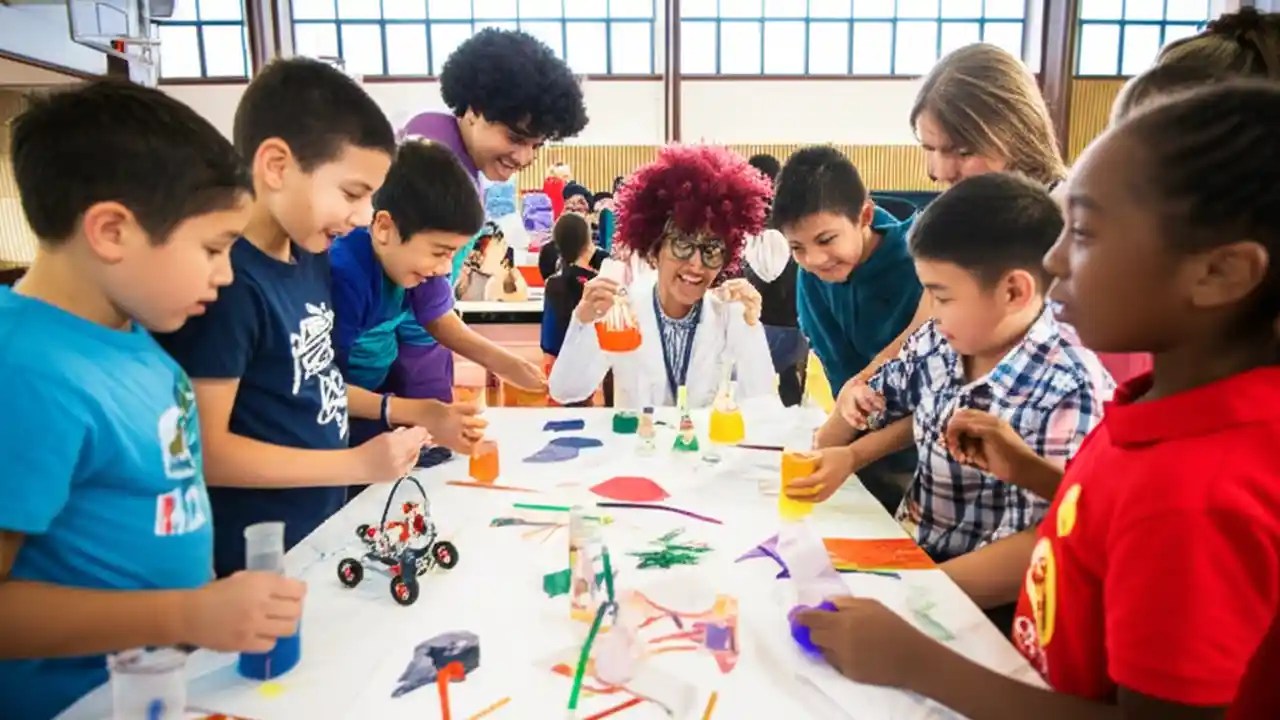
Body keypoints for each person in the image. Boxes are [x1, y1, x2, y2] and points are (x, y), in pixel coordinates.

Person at [797, 81, 1280, 720]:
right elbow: (1099, 524)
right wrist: (1030, 471)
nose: (1054, 258)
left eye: (1083, 233)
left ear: (1220, 273)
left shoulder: (1197, 490)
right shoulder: (1154, 410)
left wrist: (915, 659)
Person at [0, 81, 303, 720]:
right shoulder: (25, 371)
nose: (225, 274)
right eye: (214, 248)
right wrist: (185, 612)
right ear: (112, 231)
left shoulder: (134, 337)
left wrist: (206, 604)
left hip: (162, 681)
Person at [157, 58, 484, 578]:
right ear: (277, 166)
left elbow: (317, 383)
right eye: (351, 194)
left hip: (319, 530)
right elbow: (207, 453)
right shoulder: (225, 283)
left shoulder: (308, 254)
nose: (357, 216)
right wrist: (355, 464)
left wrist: (413, 411)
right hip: (252, 560)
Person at [788, 173, 1111, 561]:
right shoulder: (939, 343)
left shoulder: (1068, 387)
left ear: (1013, 292)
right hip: (913, 553)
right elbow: (884, 395)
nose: (930, 313)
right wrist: (853, 419)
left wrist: (924, 590)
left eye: (942, 297)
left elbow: (1040, 545)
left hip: (981, 596)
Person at [910, 42, 1151, 389]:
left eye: (963, 150)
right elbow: (923, 338)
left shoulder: (1064, 222)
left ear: (1018, 133)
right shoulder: (974, 215)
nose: (940, 171)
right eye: (929, 148)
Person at [392, 28, 586, 410]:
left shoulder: (431, 133)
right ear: (474, 107)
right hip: (395, 359)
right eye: (515, 137)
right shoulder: (438, 170)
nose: (526, 157)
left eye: (536, 144)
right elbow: (428, 308)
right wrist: (502, 360)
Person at [549, 145, 775, 409]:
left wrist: (750, 328)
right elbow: (566, 391)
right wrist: (583, 321)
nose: (696, 264)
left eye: (712, 250)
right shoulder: (624, 309)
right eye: (682, 244)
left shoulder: (728, 313)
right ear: (654, 250)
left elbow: (763, 404)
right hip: (636, 446)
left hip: (704, 449)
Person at [772, 146, 925, 510]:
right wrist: (825, 450)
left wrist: (840, 448)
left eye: (826, 240)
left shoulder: (922, 264)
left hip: (927, 459)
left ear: (865, 216)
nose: (814, 260)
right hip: (858, 453)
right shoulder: (812, 278)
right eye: (797, 247)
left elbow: (938, 391)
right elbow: (848, 388)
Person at [329, 141, 488, 452]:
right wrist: (413, 411)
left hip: (375, 398)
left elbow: (440, 321)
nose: (444, 269)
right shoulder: (345, 274)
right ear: (385, 228)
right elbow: (320, 386)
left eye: (453, 255)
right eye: (440, 252)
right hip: (341, 416)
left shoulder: (410, 267)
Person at [742, 152, 807, 407]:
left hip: (770, 334)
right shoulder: (795, 223)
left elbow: (768, 271)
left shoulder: (768, 229)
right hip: (799, 334)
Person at [541, 213, 598, 364]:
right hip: (593, 368)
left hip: (561, 367)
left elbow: (549, 344)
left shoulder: (553, 284)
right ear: (588, 242)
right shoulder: (597, 282)